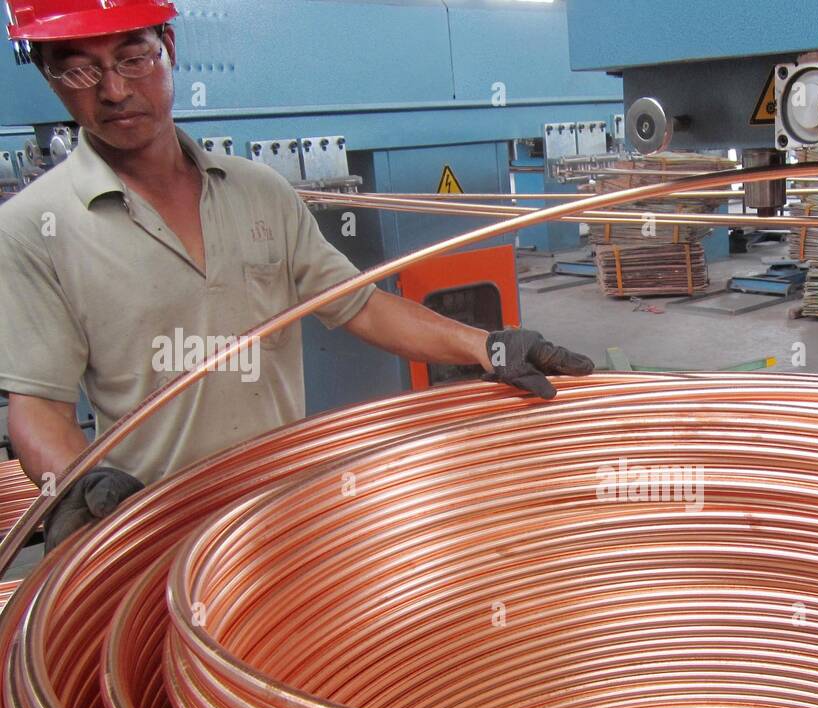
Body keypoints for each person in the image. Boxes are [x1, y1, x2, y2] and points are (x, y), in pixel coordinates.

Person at [0, 1, 593, 549]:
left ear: (170, 47)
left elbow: (359, 305)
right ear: (46, 73)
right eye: (78, 70)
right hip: (155, 530)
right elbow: (40, 408)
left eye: (134, 57)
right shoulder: (33, 226)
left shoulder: (260, 191)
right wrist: (75, 489)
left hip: (282, 505)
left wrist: (484, 345)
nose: (114, 89)